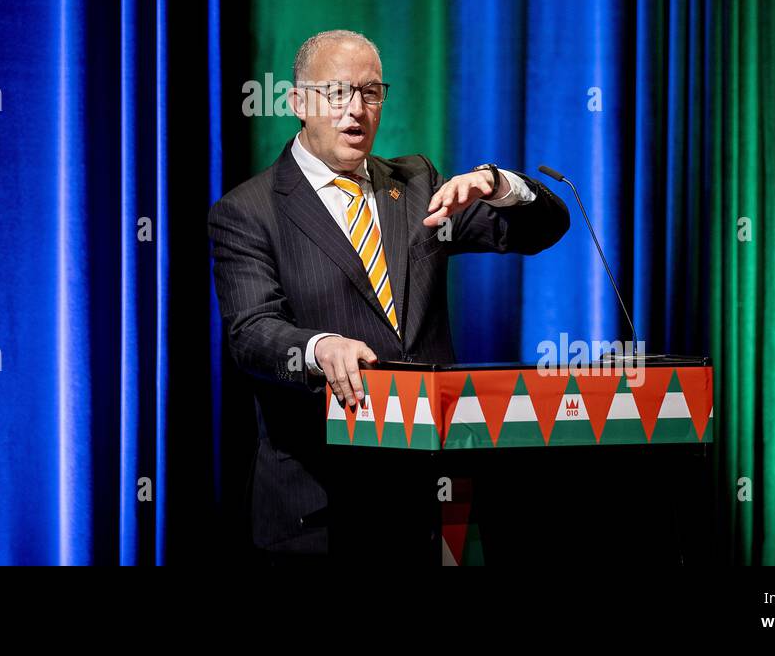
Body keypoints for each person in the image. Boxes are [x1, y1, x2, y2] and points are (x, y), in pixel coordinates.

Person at [208, 29, 570, 561]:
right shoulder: (248, 210)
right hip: (320, 508)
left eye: (371, 92)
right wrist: (318, 348)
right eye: (337, 93)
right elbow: (251, 332)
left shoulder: (418, 185)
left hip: (426, 501)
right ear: (298, 102)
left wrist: (501, 185)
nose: (356, 110)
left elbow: (541, 232)